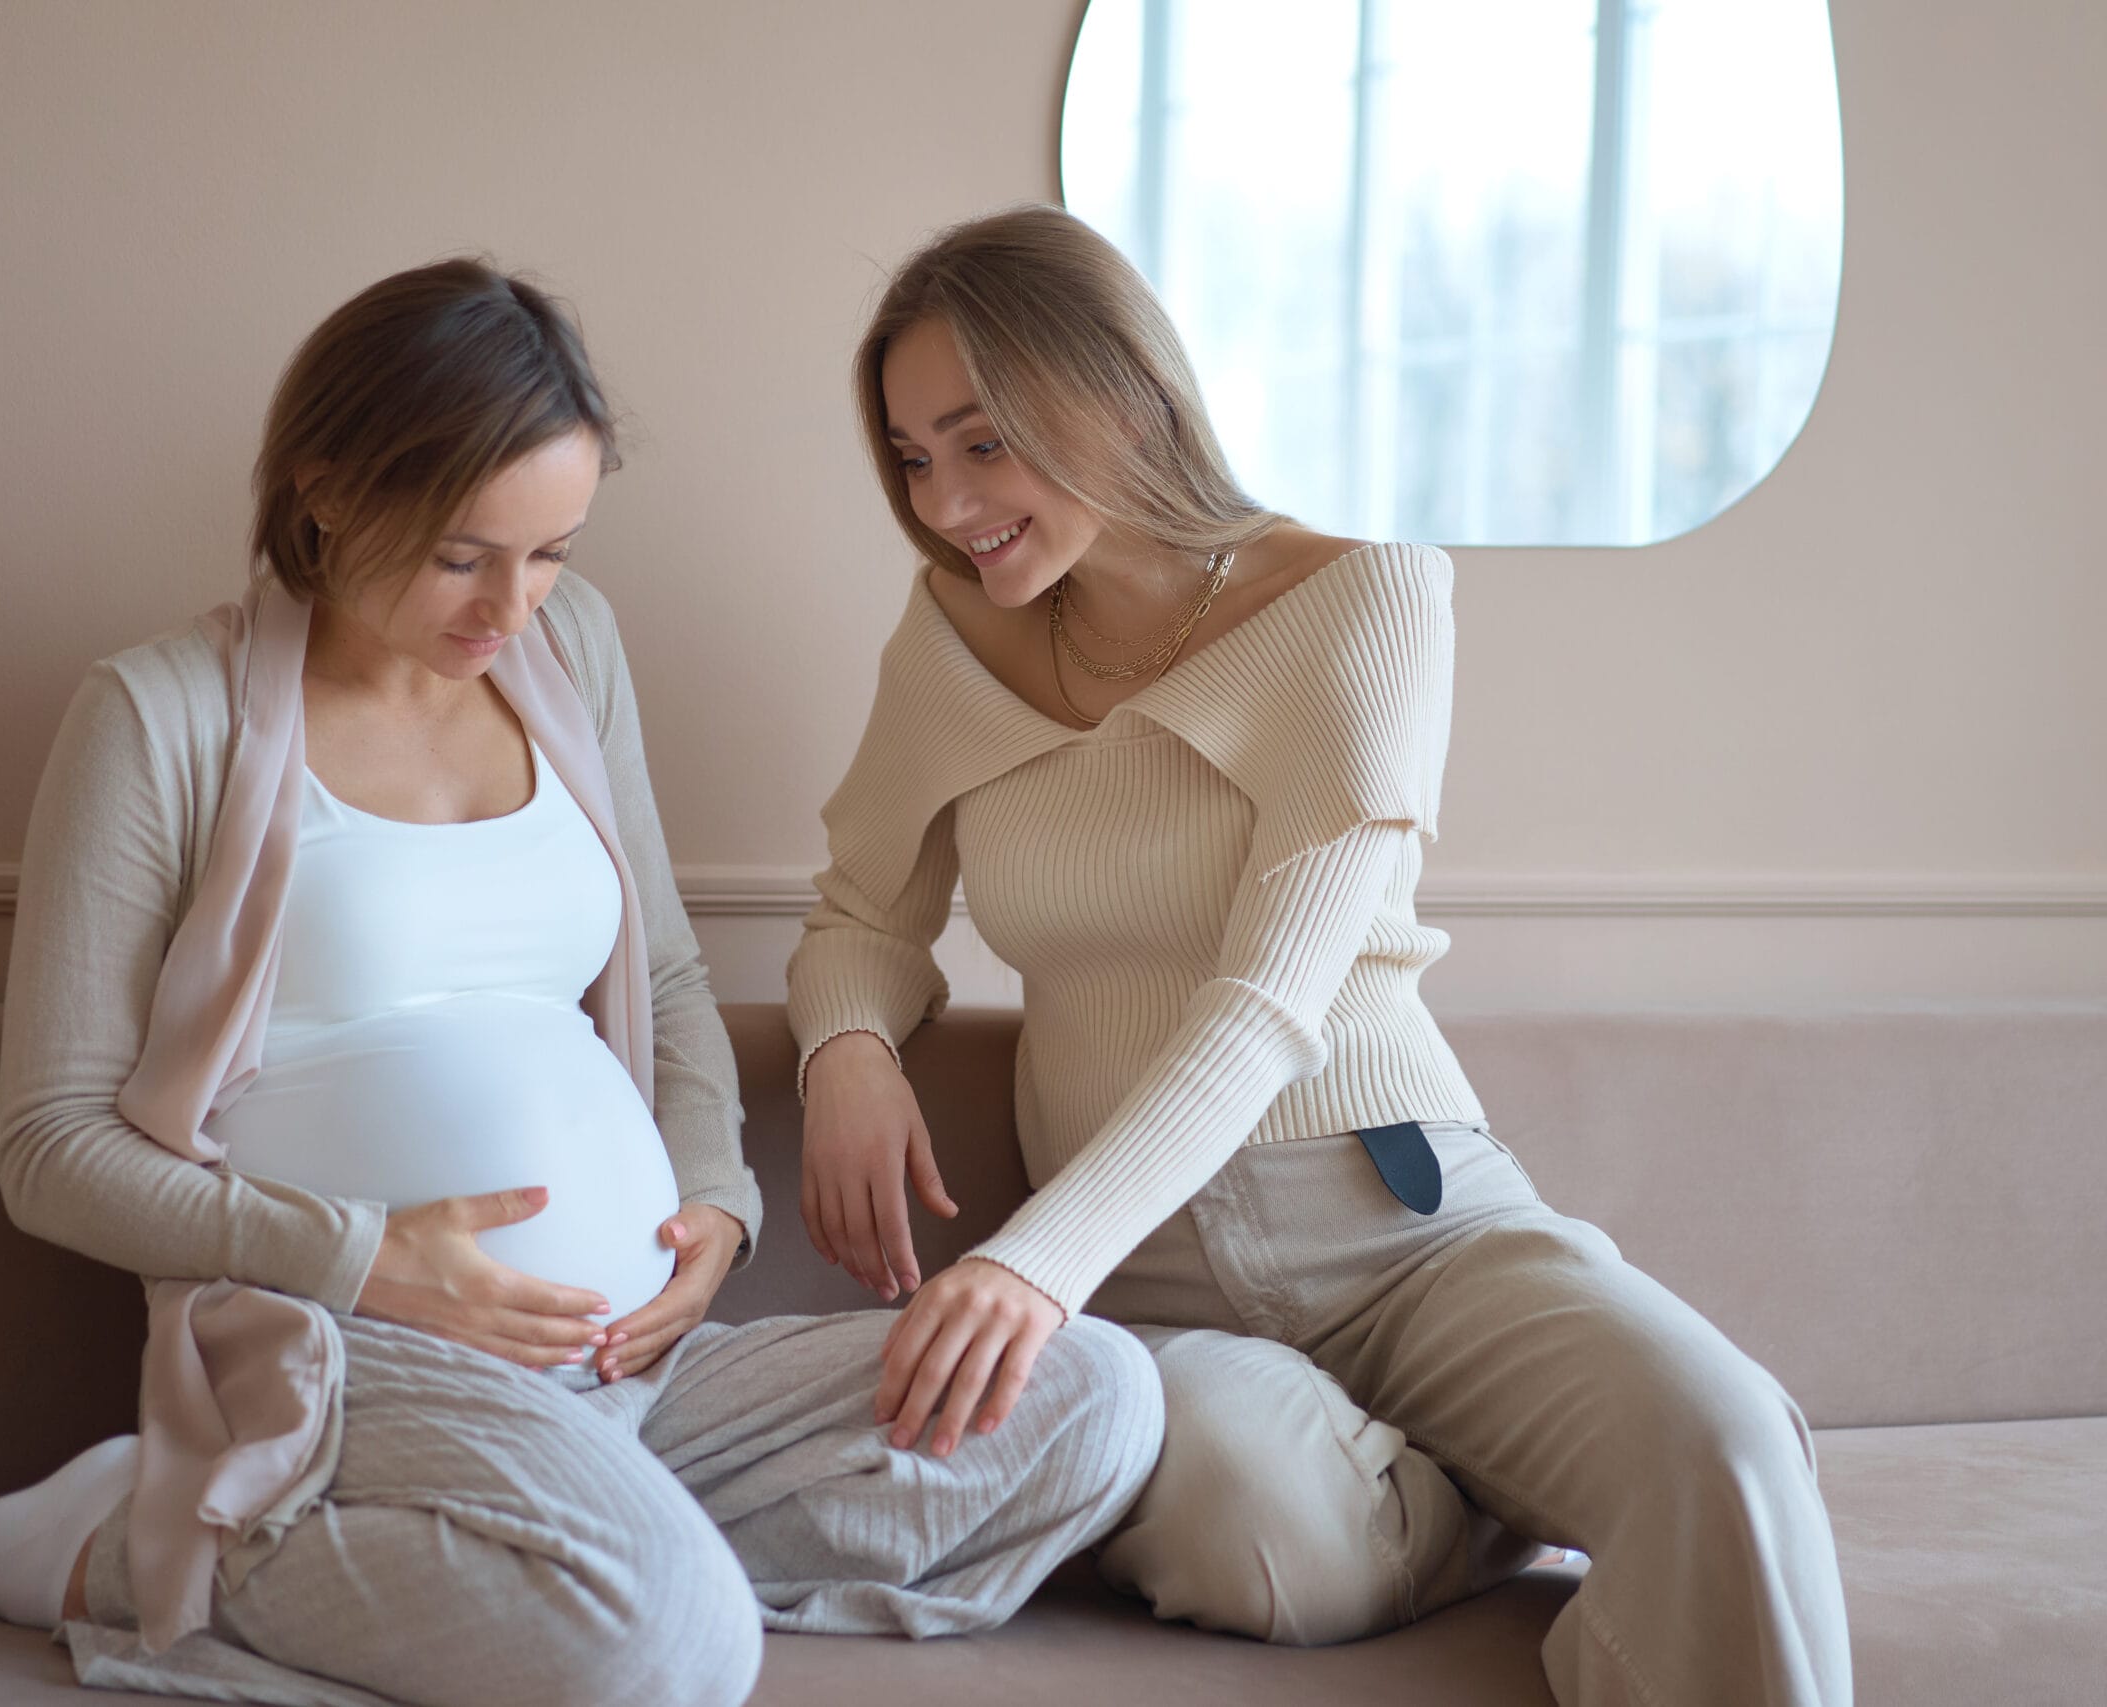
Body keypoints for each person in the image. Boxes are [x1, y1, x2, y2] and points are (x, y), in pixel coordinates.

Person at [0, 257, 1162, 1707]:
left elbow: (664, 973)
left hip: (635, 1365)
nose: (511, 606)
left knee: (1095, 1397)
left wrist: (717, 1209)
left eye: (551, 551)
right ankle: (153, 1541)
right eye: (461, 555)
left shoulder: (569, 652)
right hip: (360, 1352)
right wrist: (366, 1259)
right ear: (327, 489)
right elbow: (48, 1154)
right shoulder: (156, 716)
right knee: (672, 1650)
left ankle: (557, 1556)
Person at [789, 204, 1852, 1707]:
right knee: (1262, 1543)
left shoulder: (1367, 598)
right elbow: (864, 913)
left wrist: (1033, 1264)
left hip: (1403, 1214)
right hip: (1148, 1286)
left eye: (983, 442)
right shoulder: (951, 639)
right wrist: (845, 1047)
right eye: (913, 457)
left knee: (1730, 1439)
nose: (949, 501)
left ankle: (1498, 1457)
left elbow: (1275, 999)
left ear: (1122, 393)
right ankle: (1480, 1511)